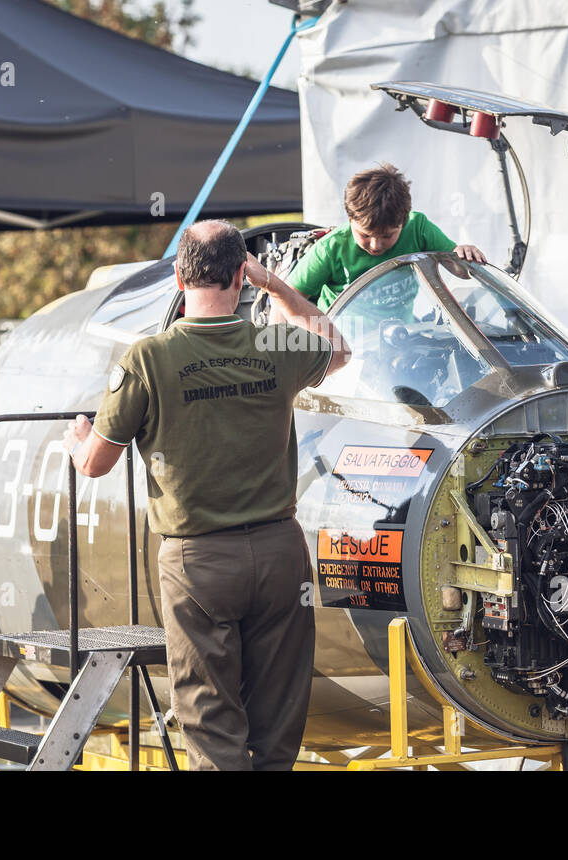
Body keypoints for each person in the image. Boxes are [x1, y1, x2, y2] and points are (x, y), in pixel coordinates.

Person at [63, 221, 349, 771]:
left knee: (210, 723)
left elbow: (96, 463)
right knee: (278, 721)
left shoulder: (148, 358)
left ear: (177, 276)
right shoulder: (273, 342)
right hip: (280, 555)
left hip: (198, 563)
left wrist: (79, 443)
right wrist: (278, 287)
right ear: (243, 275)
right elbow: (337, 351)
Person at [287, 163, 487, 313]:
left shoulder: (417, 227)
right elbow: (286, 297)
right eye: (365, 235)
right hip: (342, 347)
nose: (375, 245)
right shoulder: (331, 248)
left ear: (404, 220)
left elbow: (460, 270)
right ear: (350, 218)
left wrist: (464, 254)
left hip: (400, 341)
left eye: (388, 235)